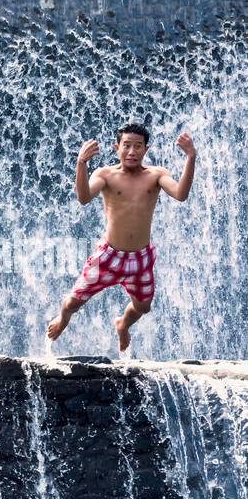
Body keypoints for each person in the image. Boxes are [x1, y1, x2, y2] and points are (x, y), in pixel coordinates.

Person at [46, 123, 196, 351]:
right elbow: (84, 198)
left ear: (146, 149)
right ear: (117, 148)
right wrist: (81, 163)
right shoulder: (106, 175)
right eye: (126, 146)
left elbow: (181, 195)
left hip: (140, 258)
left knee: (143, 307)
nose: (132, 152)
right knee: (73, 303)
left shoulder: (156, 175)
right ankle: (62, 319)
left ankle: (122, 324)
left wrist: (191, 157)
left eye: (138, 146)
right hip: (108, 256)